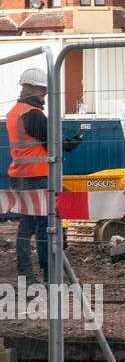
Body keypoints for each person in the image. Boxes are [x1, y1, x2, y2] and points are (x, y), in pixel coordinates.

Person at [5, 68, 80, 281]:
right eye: (40, 89)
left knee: (26, 227)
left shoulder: (14, 112)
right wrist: (73, 142)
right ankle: (50, 277)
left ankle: (26, 276)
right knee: (44, 227)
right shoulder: (33, 114)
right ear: (28, 87)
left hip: (19, 176)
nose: (44, 94)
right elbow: (54, 143)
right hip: (36, 177)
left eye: (45, 90)